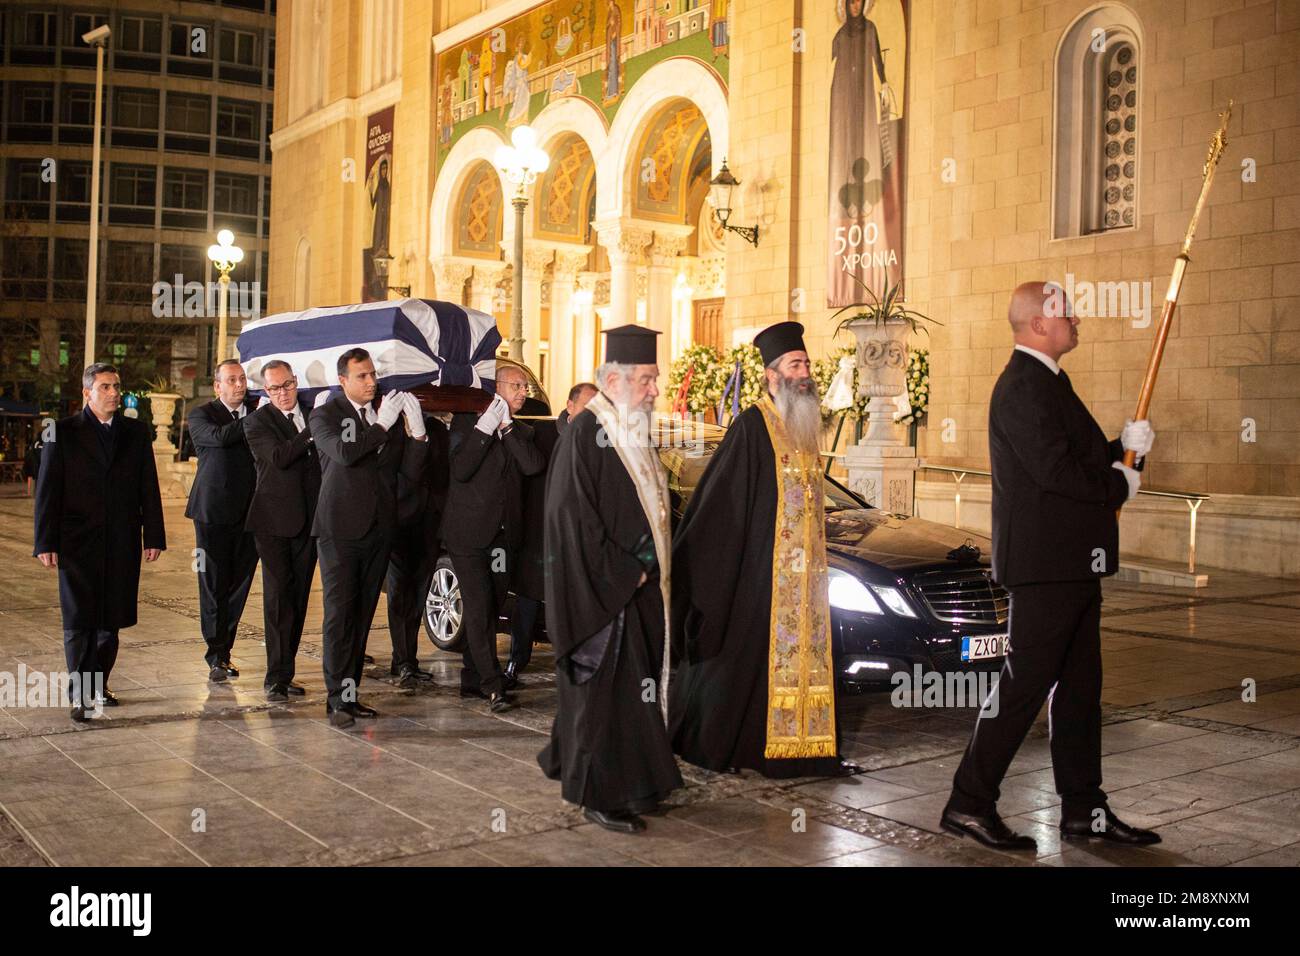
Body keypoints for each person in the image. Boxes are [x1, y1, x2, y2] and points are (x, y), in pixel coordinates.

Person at [940, 281, 1160, 851]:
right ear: (1039, 323)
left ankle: (1084, 809)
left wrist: (1120, 447)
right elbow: (1055, 475)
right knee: (1023, 688)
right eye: (1068, 313)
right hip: (1046, 569)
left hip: (1073, 565)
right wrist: (1119, 482)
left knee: (1082, 690)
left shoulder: (1049, 382)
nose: (1078, 320)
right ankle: (969, 803)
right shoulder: (1021, 387)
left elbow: (1072, 458)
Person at [671, 322, 849, 779]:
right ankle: (754, 747)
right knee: (749, 663)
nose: (805, 372)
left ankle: (809, 749)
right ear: (772, 375)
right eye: (796, 365)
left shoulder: (804, 427)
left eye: (807, 363)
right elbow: (720, 504)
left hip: (807, 580)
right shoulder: (752, 426)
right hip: (763, 576)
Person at [539, 327, 683, 833]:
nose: (654, 391)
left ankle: (640, 784)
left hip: (638, 593)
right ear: (615, 379)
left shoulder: (630, 428)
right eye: (646, 381)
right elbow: (572, 522)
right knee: (604, 702)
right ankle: (598, 794)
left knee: (635, 698)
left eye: (654, 380)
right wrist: (629, 570)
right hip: (604, 598)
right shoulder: (587, 434)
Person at [33, 364, 165, 720]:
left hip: (121, 541)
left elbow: (147, 487)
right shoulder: (61, 432)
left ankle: (98, 684)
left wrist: (152, 534)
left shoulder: (136, 433)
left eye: (116, 386)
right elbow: (47, 492)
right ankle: (81, 695)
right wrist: (45, 540)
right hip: (76, 542)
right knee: (79, 620)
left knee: (111, 621)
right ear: (87, 393)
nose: (113, 393)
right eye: (105, 387)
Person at [311, 348, 429, 728]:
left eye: (373, 374)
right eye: (361, 376)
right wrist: (380, 427)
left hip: (378, 531)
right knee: (340, 616)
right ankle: (336, 702)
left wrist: (417, 434)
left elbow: (406, 474)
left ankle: (350, 696)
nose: (371, 381)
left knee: (361, 618)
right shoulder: (325, 415)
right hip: (340, 532)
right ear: (343, 380)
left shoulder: (385, 418)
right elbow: (346, 454)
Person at [442, 363, 545, 711]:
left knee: (494, 605)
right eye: (517, 385)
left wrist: (506, 427)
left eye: (526, 387)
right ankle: (492, 684)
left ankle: (472, 677)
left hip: (501, 538)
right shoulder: (466, 422)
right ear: (496, 387)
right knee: (478, 604)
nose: (523, 392)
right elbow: (461, 468)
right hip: (468, 534)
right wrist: (486, 428)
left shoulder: (521, 430)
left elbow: (532, 466)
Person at [507, 381, 597, 686]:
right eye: (588, 406)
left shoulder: (601, 442)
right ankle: (516, 661)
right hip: (538, 532)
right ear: (570, 406)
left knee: (572, 603)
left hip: (577, 539)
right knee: (528, 601)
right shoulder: (542, 434)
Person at [244, 360, 320, 702]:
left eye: (287, 385)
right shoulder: (257, 422)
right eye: (274, 388)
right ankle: (275, 676)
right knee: (278, 599)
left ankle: (286, 670)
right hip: (273, 523)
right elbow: (279, 457)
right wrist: (312, 431)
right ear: (265, 391)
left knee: (299, 597)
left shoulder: (311, 412)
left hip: (309, 522)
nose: (283, 393)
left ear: (296, 382)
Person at [186, 359, 259, 683]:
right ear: (218, 386)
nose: (239, 385)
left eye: (242, 379)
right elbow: (218, 438)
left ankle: (224, 651)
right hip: (212, 515)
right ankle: (215, 654)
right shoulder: (201, 415)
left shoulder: (256, 411)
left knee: (239, 586)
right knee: (214, 585)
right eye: (231, 380)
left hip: (249, 514)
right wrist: (256, 419)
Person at [384, 404, 449, 688]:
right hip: (398, 520)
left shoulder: (435, 428)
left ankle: (406, 658)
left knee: (419, 592)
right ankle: (403, 661)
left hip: (429, 522)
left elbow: (443, 471)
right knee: (400, 592)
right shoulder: (388, 428)